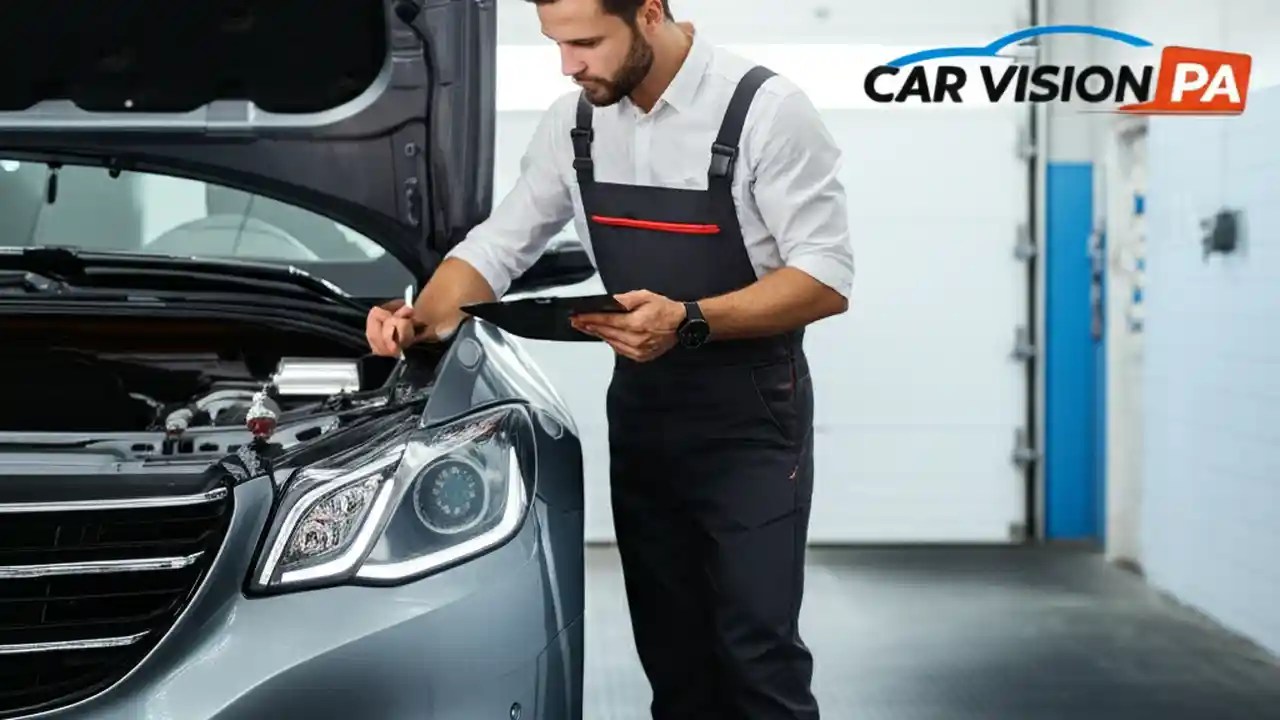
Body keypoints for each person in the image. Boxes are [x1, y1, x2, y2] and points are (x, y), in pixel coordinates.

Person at [366, 1, 853, 717]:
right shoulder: (575, 123)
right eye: (556, 44)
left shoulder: (765, 111)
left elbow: (824, 278)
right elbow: (498, 246)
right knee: (673, 656)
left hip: (751, 414)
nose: (569, 65)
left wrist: (688, 320)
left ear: (650, 12)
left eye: (587, 42)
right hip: (644, 411)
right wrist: (418, 319)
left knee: (757, 653)